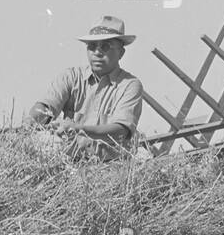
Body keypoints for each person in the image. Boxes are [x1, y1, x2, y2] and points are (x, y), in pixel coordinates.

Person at [27, 16, 144, 161]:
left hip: (107, 165)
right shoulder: (71, 77)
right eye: (92, 46)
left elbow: (120, 131)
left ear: (121, 53)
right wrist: (31, 123)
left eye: (105, 47)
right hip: (68, 158)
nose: (97, 52)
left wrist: (78, 129)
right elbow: (46, 107)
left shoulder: (129, 85)